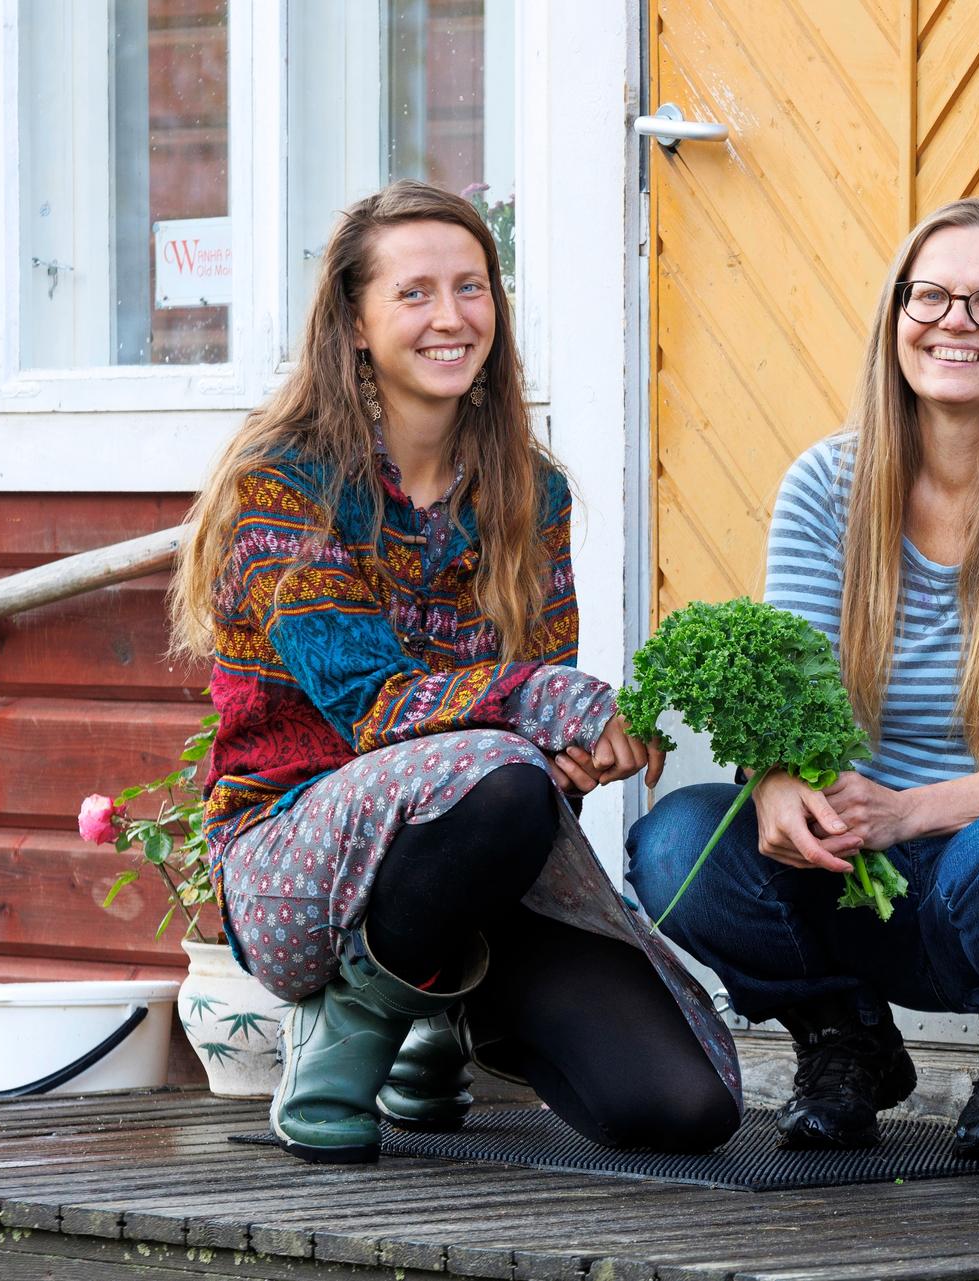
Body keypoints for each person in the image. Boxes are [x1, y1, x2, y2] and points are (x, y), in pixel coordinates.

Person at [169, 180, 741, 1165]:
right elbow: (373, 705)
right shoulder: (284, 488)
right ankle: (348, 1039)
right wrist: (546, 710)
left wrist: (582, 745)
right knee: (499, 775)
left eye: (471, 288)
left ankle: (440, 1007)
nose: (451, 317)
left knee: (683, 1110)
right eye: (415, 293)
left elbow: (534, 730)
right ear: (354, 323)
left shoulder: (532, 491)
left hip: (486, 845)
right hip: (295, 858)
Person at [626, 197, 979, 1159]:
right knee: (674, 845)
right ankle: (846, 1043)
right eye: (933, 295)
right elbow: (778, 695)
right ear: (896, 315)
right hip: (864, 874)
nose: (956, 321)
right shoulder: (827, 485)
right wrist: (780, 778)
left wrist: (907, 812)